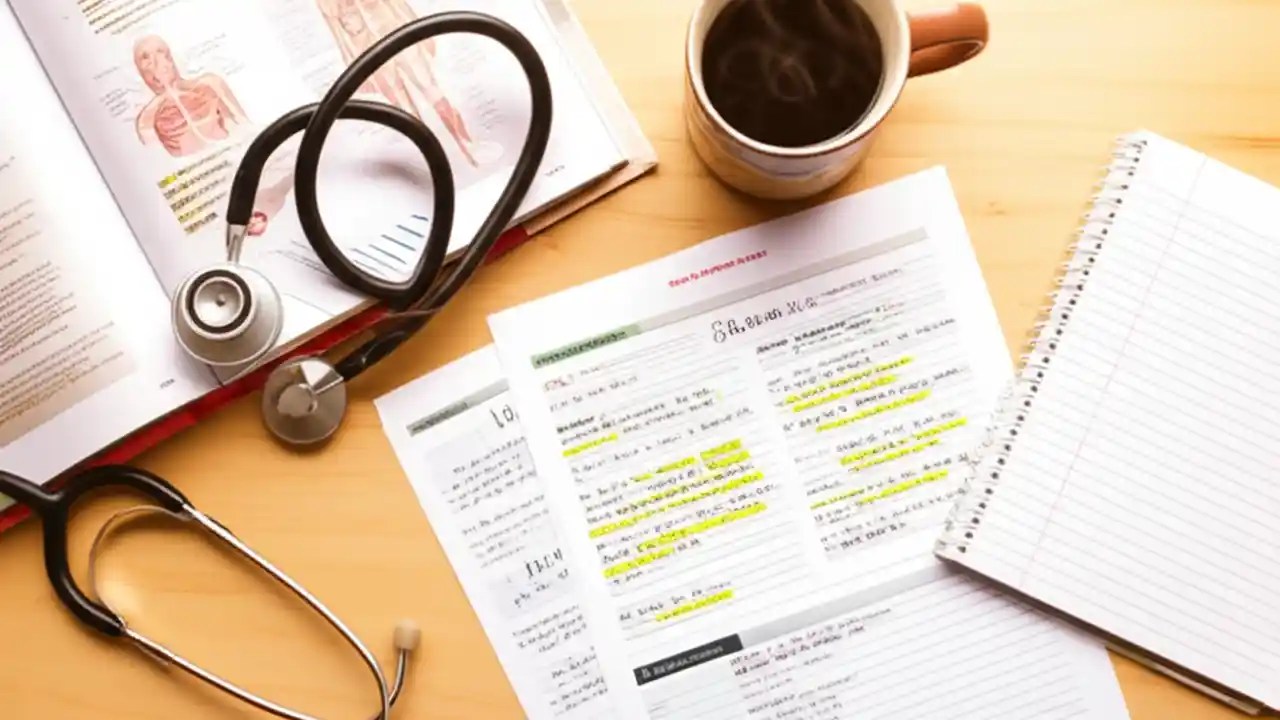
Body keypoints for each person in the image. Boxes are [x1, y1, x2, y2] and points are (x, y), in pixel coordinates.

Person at [314, 0, 499, 167]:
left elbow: (398, 3)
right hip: (369, 49)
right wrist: (353, 66)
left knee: (433, 91)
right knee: (405, 111)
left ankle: (468, 146)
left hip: (395, 29)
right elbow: (337, 32)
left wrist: (420, 29)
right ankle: (433, 163)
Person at [133, 35, 249, 158]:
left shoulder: (209, 84)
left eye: (159, 52)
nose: (155, 62)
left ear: (170, 57)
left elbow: (244, 125)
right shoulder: (146, 120)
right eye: (145, 57)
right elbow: (161, 162)